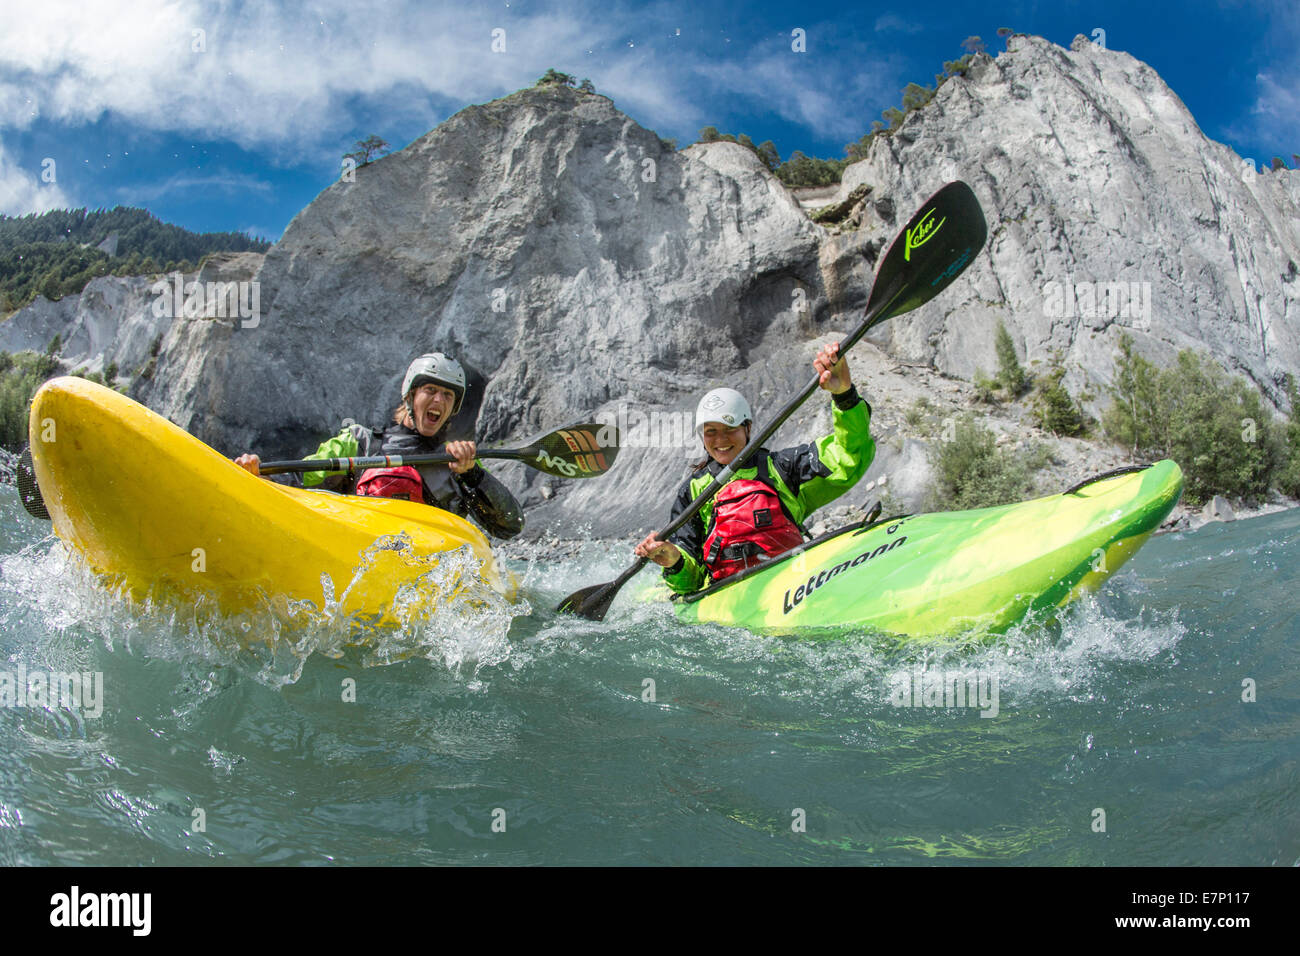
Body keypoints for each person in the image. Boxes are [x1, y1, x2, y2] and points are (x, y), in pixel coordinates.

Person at [633, 342, 873, 592]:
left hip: (793, 588)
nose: (720, 440)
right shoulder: (693, 492)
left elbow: (849, 456)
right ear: (701, 437)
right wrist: (674, 561)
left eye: (730, 429)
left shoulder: (783, 468)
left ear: (747, 428)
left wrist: (844, 395)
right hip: (726, 597)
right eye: (711, 432)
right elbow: (689, 584)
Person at [234, 352, 524, 540]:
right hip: (362, 555)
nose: (439, 401)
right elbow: (299, 480)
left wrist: (472, 475)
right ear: (410, 396)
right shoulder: (360, 443)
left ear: (453, 408)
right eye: (430, 390)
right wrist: (262, 475)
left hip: (429, 575)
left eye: (448, 395)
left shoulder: (459, 462)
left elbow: (510, 526)